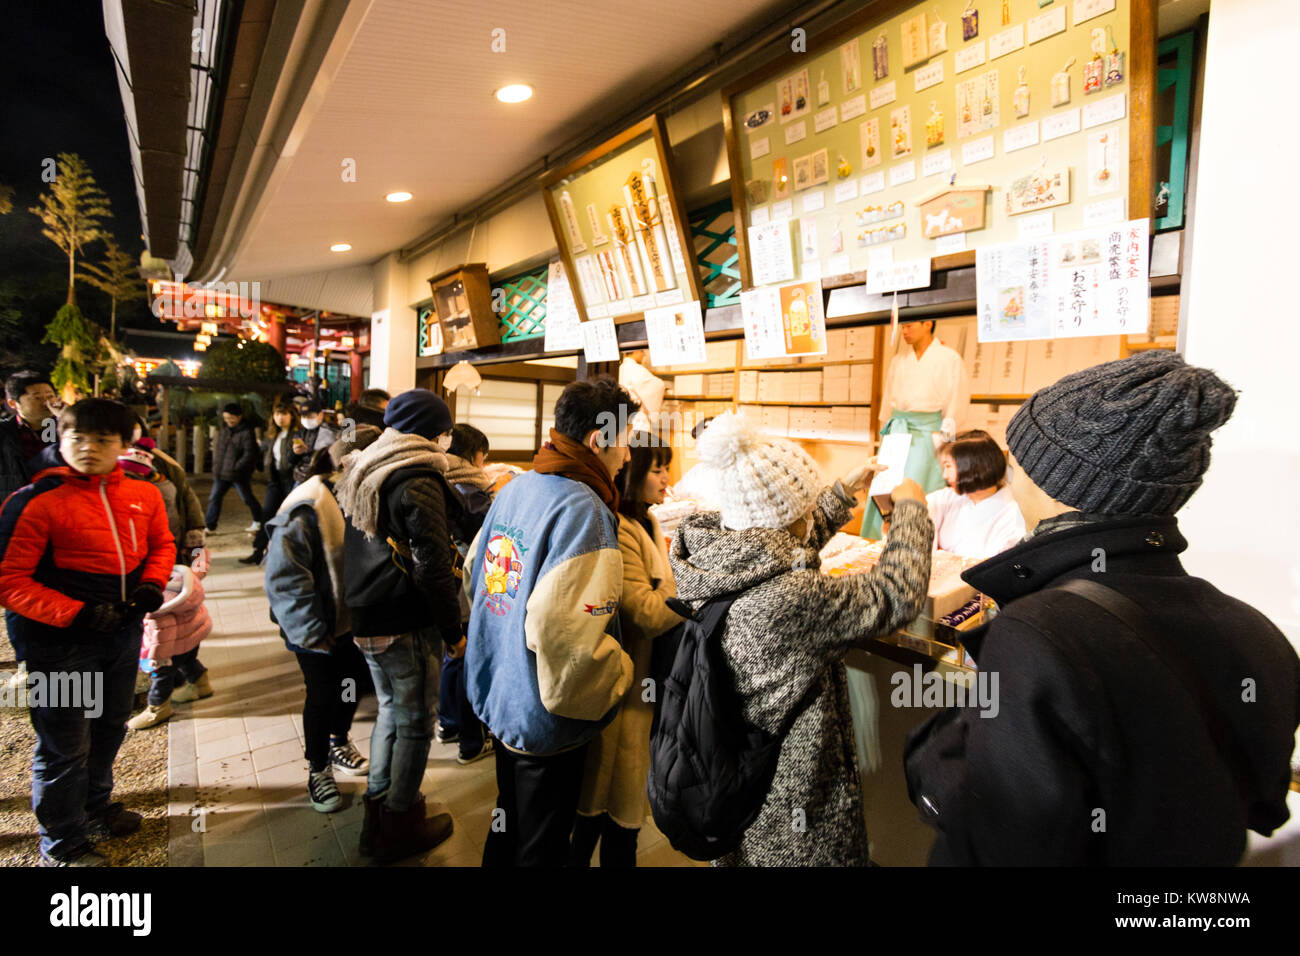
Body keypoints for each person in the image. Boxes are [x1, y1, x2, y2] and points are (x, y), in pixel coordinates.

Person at [904, 352, 1300, 865]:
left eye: (1017, 457)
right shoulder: (1259, 633)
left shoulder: (1038, 632)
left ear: (1059, 484)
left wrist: (936, 757)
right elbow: (1265, 804)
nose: (1009, 471)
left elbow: (1005, 837)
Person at [668, 412, 932, 866]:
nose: (812, 515)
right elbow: (894, 595)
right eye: (808, 508)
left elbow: (781, 551)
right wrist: (912, 511)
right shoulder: (792, 597)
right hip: (790, 790)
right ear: (791, 516)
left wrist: (839, 493)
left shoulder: (716, 554)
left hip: (735, 773)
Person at [464, 377, 638, 867]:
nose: (627, 457)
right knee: (542, 844)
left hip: (500, 692)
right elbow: (562, 633)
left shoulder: (519, 486)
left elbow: (475, 576)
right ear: (599, 440)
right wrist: (621, 671)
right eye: (625, 442)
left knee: (508, 818)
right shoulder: (585, 509)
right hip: (543, 711)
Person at [0, 399, 175, 866]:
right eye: (77, 436)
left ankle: (97, 806)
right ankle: (62, 842)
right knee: (64, 746)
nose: (89, 448)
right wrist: (74, 613)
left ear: (125, 444)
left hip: (119, 638)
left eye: (103, 439)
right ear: (60, 435)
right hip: (58, 646)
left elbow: (162, 544)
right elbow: (10, 580)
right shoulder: (35, 501)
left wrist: (152, 586)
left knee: (109, 728)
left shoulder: (145, 494)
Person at [334, 389, 464, 864]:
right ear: (432, 430)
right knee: (415, 723)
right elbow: (432, 565)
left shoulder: (368, 464)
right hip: (403, 616)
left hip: (367, 612)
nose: (448, 438)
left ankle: (379, 812)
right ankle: (400, 824)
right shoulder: (418, 474)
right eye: (445, 429)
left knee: (391, 710)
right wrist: (453, 631)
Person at [572, 433, 684, 867]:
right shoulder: (621, 526)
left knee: (622, 791)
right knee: (605, 794)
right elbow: (649, 613)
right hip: (622, 684)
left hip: (645, 680)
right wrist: (681, 578)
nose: (665, 477)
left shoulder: (648, 522)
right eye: (656, 468)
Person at [266, 428, 381, 815]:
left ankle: (339, 738)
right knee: (321, 693)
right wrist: (312, 633)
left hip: (349, 621)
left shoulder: (355, 494)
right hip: (313, 624)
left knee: (351, 684)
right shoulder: (305, 506)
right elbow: (285, 579)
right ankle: (317, 768)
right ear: (349, 464)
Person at [861, 320, 970, 539]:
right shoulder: (899, 360)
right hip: (897, 431)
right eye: (903, 327)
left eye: (910, 325)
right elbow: (887, 406)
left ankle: (917, 540)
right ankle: (878, 539)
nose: (905, 331)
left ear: (928, 323)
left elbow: (957, 403)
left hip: (927, 434)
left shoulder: (949, 358)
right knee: (885, 485)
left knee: (919, 488)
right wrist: (885, 437)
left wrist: (946, 445)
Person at [435, 422, 495, 764]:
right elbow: (484, 535)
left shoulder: (438, 479)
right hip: (466, 586)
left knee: (453, 656)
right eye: (483, 456)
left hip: (445, 585)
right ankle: (471, 743)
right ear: (474, 455)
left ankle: (448, 723)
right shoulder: (470, 489)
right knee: (471, 659)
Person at [1, 371, 62, 687]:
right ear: (14, 403)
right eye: (36, 396)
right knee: (19, 596)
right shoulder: (4, 435)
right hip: (17, 527)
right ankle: (27, 662)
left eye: (49, 394)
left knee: (60, 587)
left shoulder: (61, 430)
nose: (46, 401)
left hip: (60, 525)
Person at [924, 429, 1025, 559]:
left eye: (948, 466)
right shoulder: (948, 497)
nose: (945, 475)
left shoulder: (1012, 513)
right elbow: (919, 509)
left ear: (971, 466)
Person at [242, 402, 306, 565]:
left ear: (292, 416)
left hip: (292, 480)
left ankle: (290, 553)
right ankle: (258, 550)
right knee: (267, 514)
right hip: (275, 480)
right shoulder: (272, 435)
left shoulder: (298, 434)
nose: (280, 418)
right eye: (277, 414)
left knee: (291, 516)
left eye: (284, 414)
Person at [205, 402, 262, 532]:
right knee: (214, 497)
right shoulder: (223, 430)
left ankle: (259, 520)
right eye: (225, 418)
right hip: (221, 473)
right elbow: (218, 451)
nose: (228, 420)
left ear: (239, 416)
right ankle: (210, 525)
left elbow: (249, 454)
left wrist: (237, 467)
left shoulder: (247, 432)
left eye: (231, 417)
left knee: (247, 498)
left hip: (238, 474)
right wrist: (216, 467)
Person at [293, 400, 340, 486]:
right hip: (301, 477)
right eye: (304, 416)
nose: (306, 419)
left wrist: (309, 451)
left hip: (321, 478)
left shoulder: (331, 432)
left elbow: (329, 457)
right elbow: (292, 460)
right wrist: (295, 453)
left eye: (310, 416)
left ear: (320, 415)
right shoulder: (300, 433)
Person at [618, 350, 665, 433]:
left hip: (622, 416)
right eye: (642, 351)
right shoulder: (635, 369)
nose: (644, 354)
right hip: (637, 416)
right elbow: (658, 385)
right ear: (636, 351)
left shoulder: (620, 368)